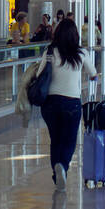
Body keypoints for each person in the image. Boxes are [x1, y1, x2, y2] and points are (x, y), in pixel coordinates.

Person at [34, 19, 97, 190]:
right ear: (75, 35)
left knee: (56, 139)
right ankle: (63, 166)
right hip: (72, 103)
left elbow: (39, 74)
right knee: (69, 140)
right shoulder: (81, 53)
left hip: (50, 104)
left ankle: (57, 171)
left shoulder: (50, 51)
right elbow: (93, 74)